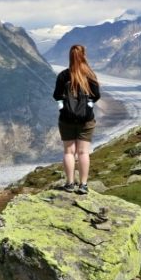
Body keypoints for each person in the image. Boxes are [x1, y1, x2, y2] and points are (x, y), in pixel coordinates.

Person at [53, 44, 100, 195]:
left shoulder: (63, 75)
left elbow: (57, 96)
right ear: (83, 56)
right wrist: (88, 106)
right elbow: (96, 95)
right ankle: (83, 185)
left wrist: (63, 108)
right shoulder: (90, 75)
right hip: (86, 120)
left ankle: (69, 183)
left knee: (69, 151)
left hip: (66, 119)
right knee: (83, 153)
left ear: (70, 57)